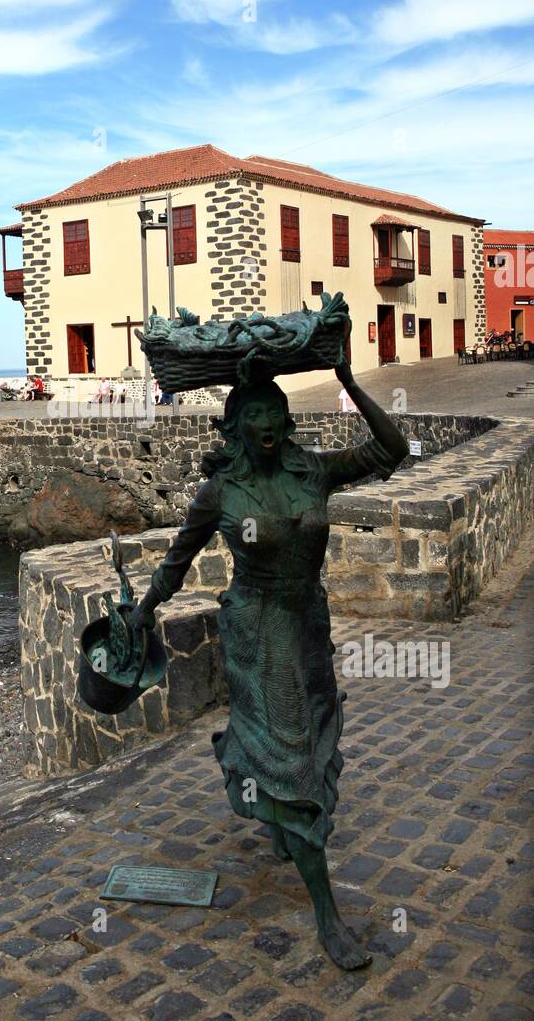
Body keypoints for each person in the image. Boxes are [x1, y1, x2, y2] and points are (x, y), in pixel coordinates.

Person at [128, 361, 408, 970]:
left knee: (316, 732)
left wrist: (351, 383)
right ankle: (327, 914)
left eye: (274, 411)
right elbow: (177, 560)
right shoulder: (221, 493)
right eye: (253, 414)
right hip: (259, 634)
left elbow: (394, 447)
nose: (267, 422)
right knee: (292, 755)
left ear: (286, 418)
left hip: (308, 622)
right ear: (236, 427)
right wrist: (144, 610)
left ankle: (279, 820)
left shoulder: (313, 470)